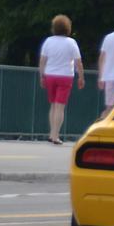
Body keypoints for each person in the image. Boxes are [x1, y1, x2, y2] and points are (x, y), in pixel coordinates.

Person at [39, 14, 84, 145]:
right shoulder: (71, 43)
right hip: (65, 76)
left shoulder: (48, 41)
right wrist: (81, 76)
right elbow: (78, 62)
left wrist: (42, 75)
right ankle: (55, 135)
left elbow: (42, 60)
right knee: (60, 107)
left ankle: (51, 133)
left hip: (50, 75)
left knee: (53, 105)